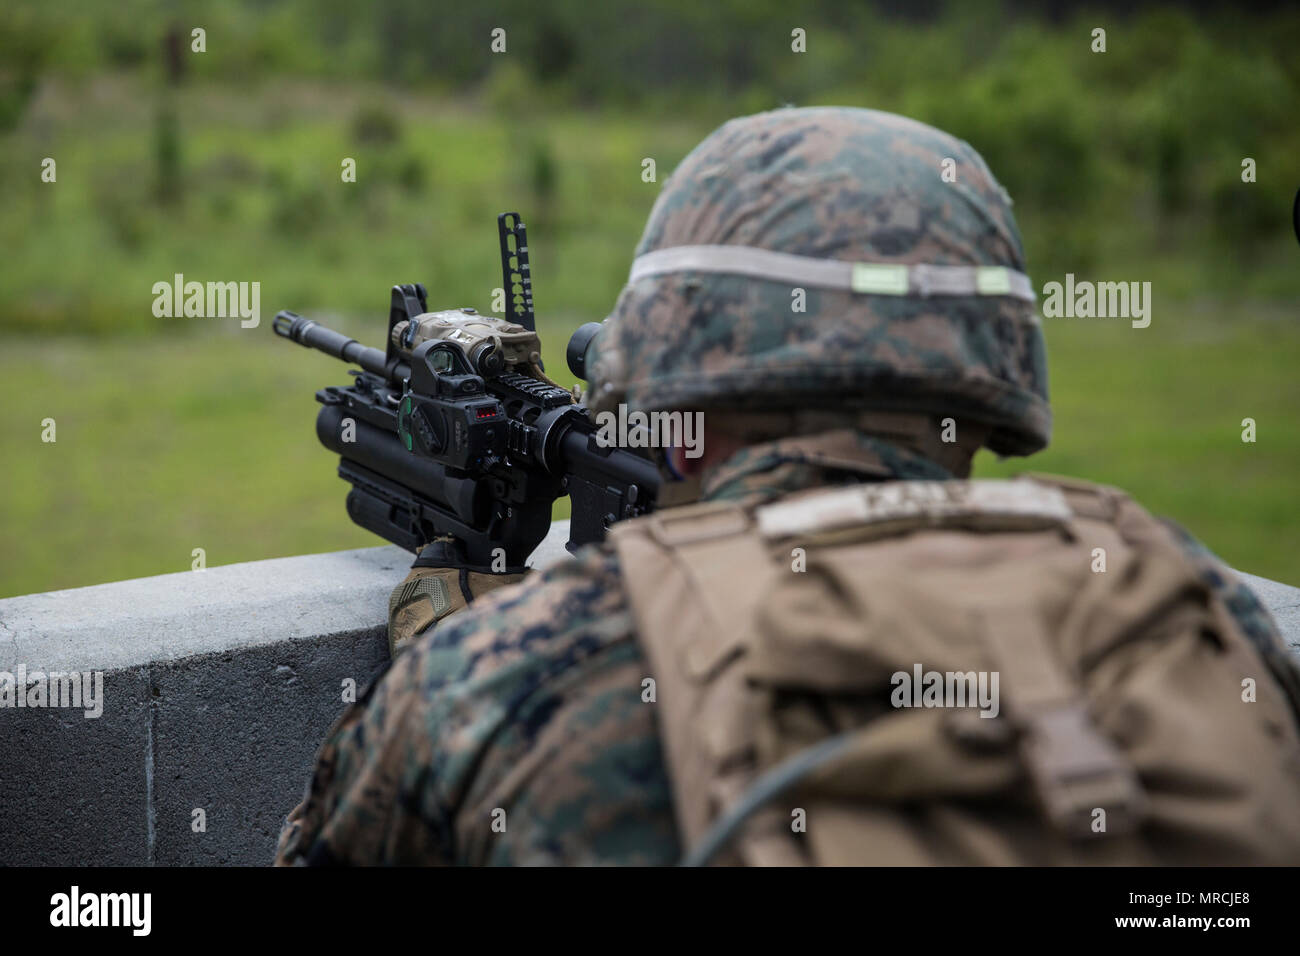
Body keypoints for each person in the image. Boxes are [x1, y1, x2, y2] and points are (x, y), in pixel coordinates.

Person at [274, 107, 1300, 866]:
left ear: (671, 370)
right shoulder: (1191, 611)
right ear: (989, 373)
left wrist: (451, 649)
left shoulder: (508, 680)